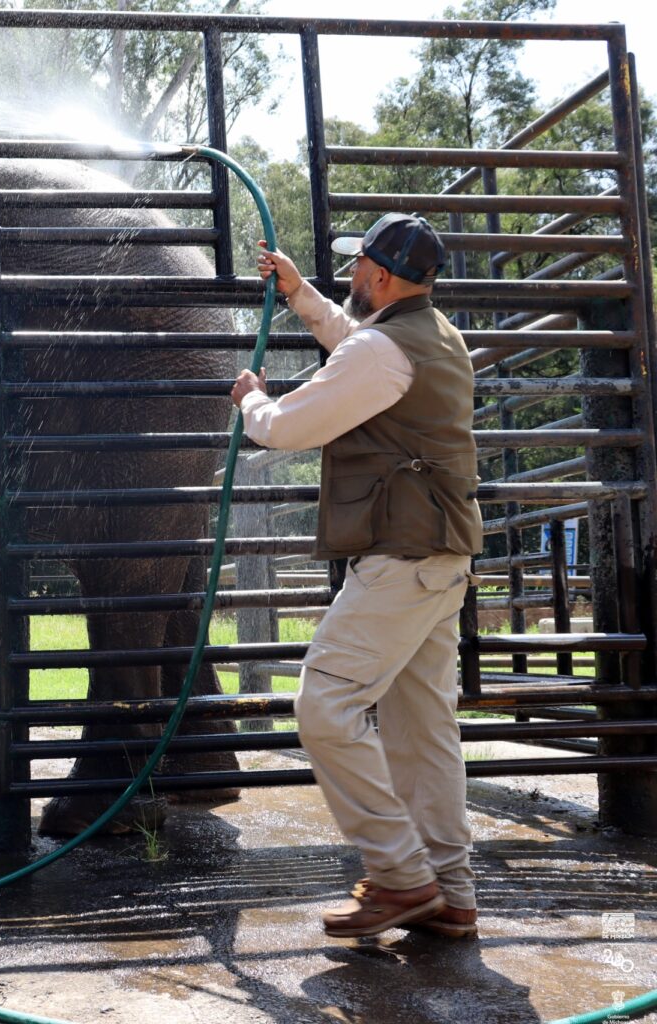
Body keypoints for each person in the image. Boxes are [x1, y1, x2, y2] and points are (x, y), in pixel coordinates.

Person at [231, 213, 483, 940]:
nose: (350, 280)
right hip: (438, 559)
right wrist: (301, 293)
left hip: (404, 561)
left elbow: (284, 427)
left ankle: (401, 877)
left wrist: (250, 397)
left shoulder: (383, 350)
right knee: (423, 729)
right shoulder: (432, 336)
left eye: (354, 270)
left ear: (376, 274)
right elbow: (356, 346)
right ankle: (452, 894)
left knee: (324, 704)